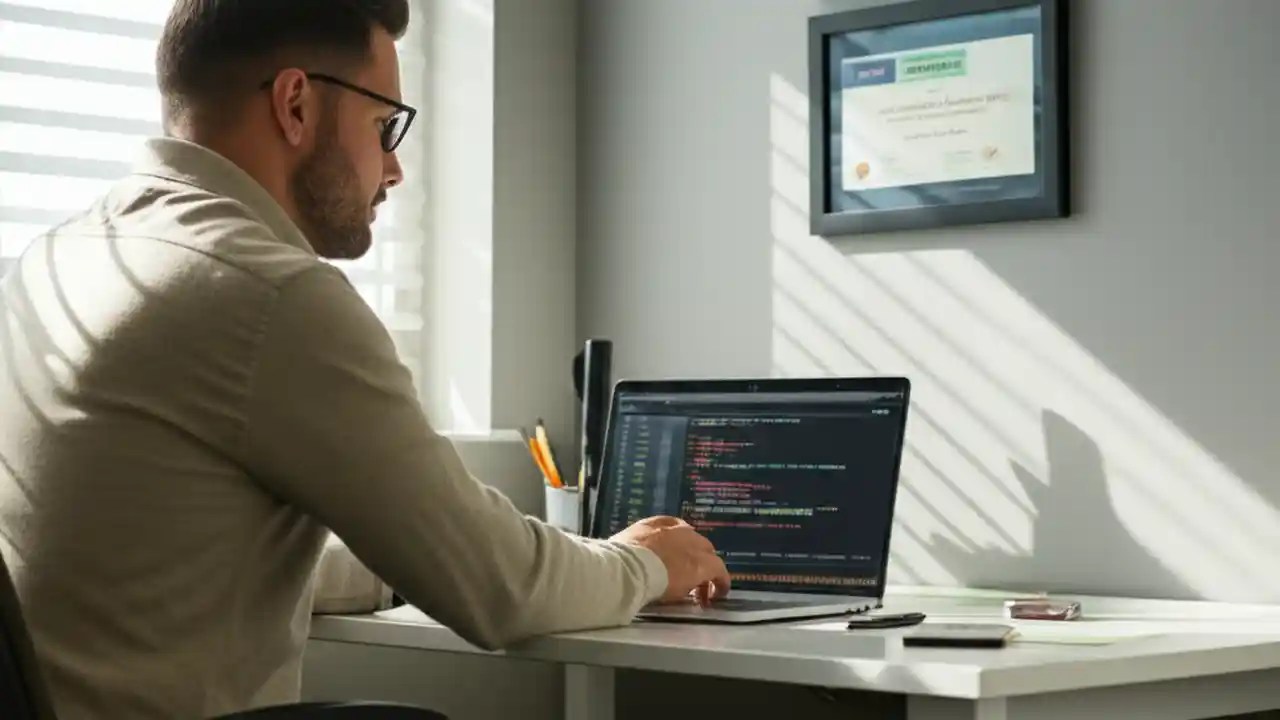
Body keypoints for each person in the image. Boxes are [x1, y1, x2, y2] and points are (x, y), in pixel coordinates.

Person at [0, 1, 730, 718]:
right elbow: (499, 588)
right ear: (295, 105)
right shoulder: (267, 291)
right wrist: (645, 563)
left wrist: (409, 556)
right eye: (386, 125)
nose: (394, 167)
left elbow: (156, 567)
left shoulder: (58, 261)